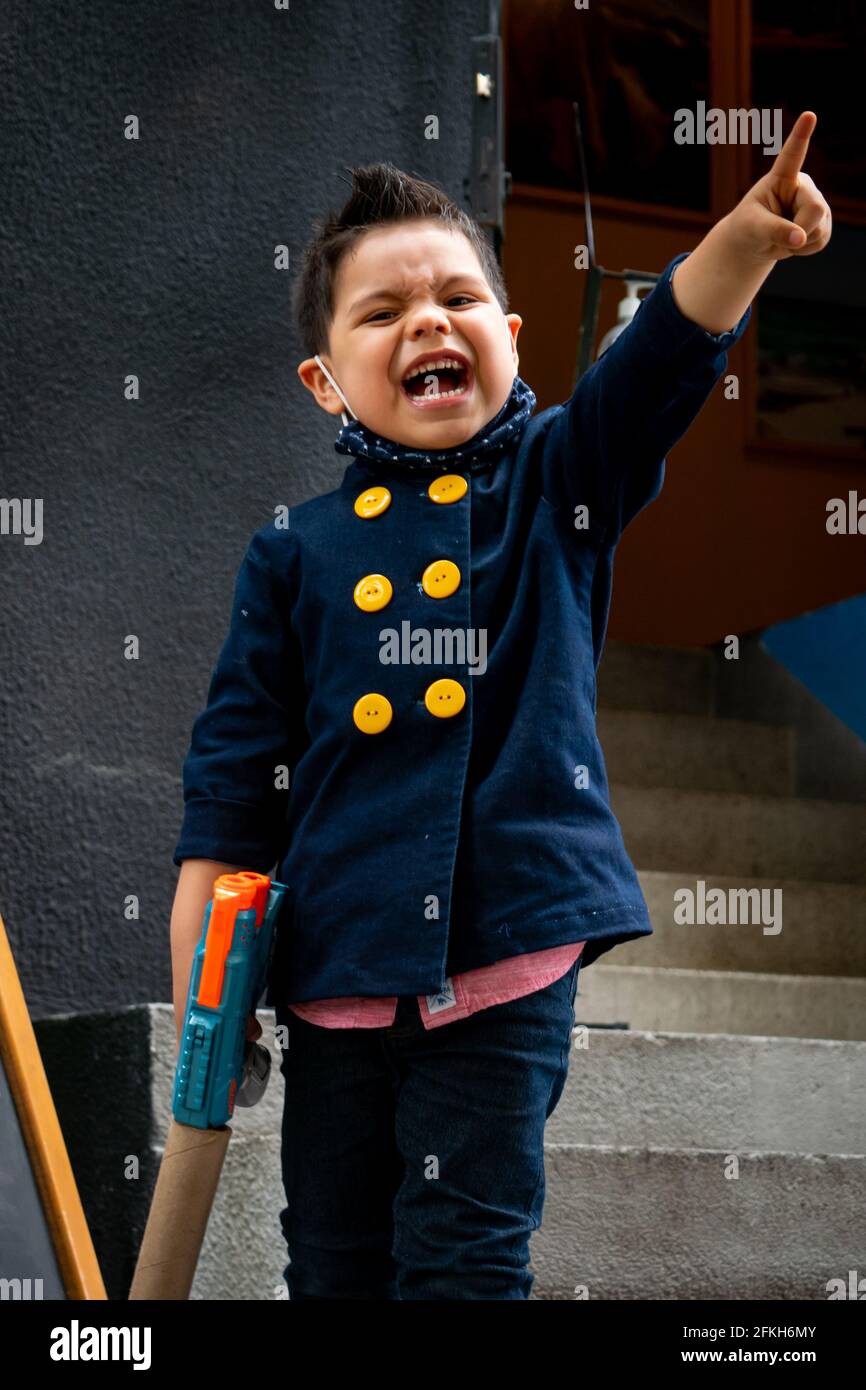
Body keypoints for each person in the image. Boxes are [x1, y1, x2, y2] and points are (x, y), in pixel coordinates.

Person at [170, 113, 831, 1299]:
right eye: (382, 313)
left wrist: (742, 241)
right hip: (335, 980)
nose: (428, 321)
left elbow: (653, 368)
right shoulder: (291, 555)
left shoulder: (556, 482)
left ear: (512, 341)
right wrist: (207, 1001)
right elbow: (230, 788)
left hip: (502, 963)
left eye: (459, 300)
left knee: (463, 1257)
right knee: (330, 1260)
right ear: (325, 382)